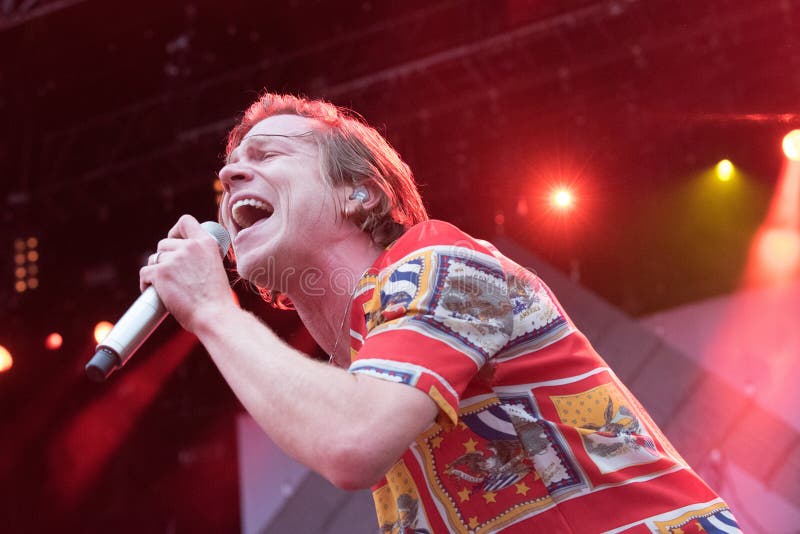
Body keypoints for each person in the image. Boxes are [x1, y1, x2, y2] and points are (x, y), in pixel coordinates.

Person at [140, 92, 739, 533]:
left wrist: (212, 312)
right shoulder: (365, 374)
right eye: (232, 165)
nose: (230, 172)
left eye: (269, 154)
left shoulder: (441, 263)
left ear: (359, 191)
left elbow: (352, 440)